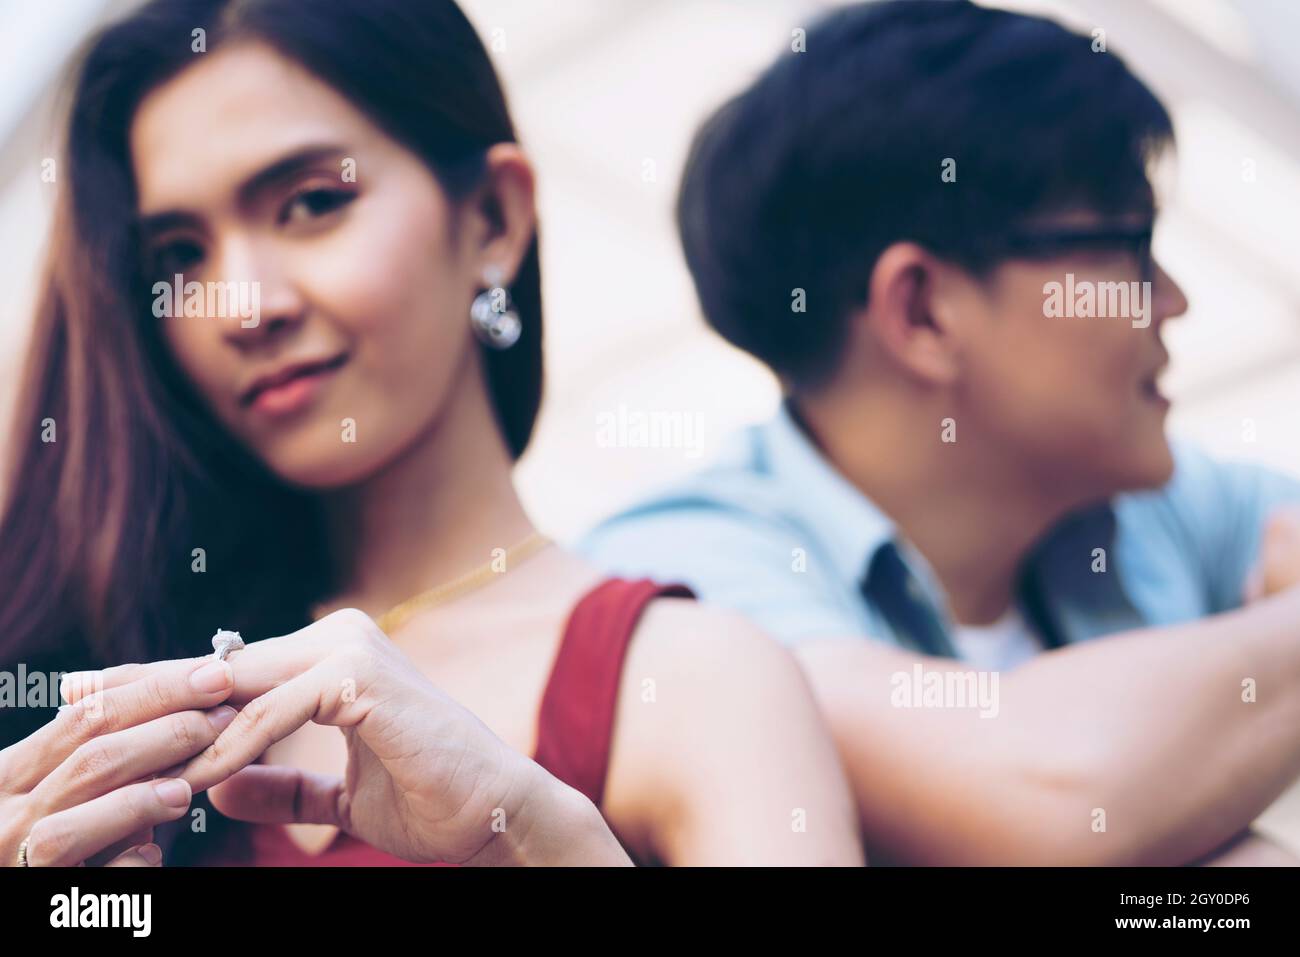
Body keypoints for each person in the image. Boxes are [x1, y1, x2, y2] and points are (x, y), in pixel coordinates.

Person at [0, 0, 861, 867]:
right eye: (180, 257)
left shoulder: (697, 679)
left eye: (311, 202)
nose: (244, 306)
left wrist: (536, 839)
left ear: (492, 218)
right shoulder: (116, 667)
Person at [580, 0, 1300, 864]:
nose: (1173, 301)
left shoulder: (1158, 503)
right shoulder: (680, 580)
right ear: (922, 310)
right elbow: (1050, 794)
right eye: (1130, 246)